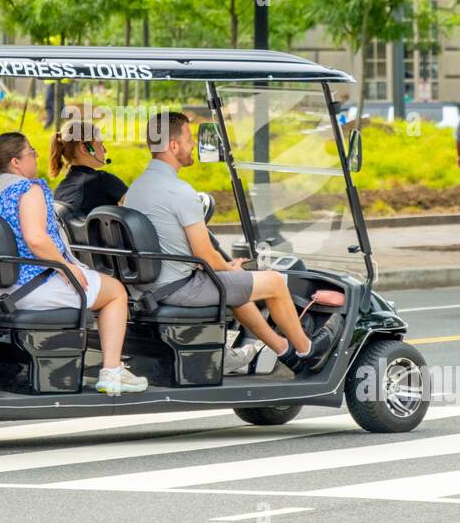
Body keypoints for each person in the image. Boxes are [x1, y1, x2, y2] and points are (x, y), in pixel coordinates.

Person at [123, 111, 334, 376]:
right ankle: (307, 350)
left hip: (150, 287)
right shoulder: (180, 193)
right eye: (189, 139)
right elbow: (205, 254)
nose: (193, 147)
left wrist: (226, 269)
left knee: (238, 291)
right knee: (275, 282)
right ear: (173, 146)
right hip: (180, 288)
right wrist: (230, 268)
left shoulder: (137, 189)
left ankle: (283, 350)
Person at [0, 132, 147, 395]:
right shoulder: (28, 189)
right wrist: (66, 265)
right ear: (16, 161)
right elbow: (36, 238)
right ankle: (112, 370)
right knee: (115, 291)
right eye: (32, 153)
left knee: (100, 287)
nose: (36, 157)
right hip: (32, 287)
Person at [50, 119, 127, 218]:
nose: (105, 150)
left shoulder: (59, 191)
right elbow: (141, 208)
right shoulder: (103, 181)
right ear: (85, 148)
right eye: (100, 144)